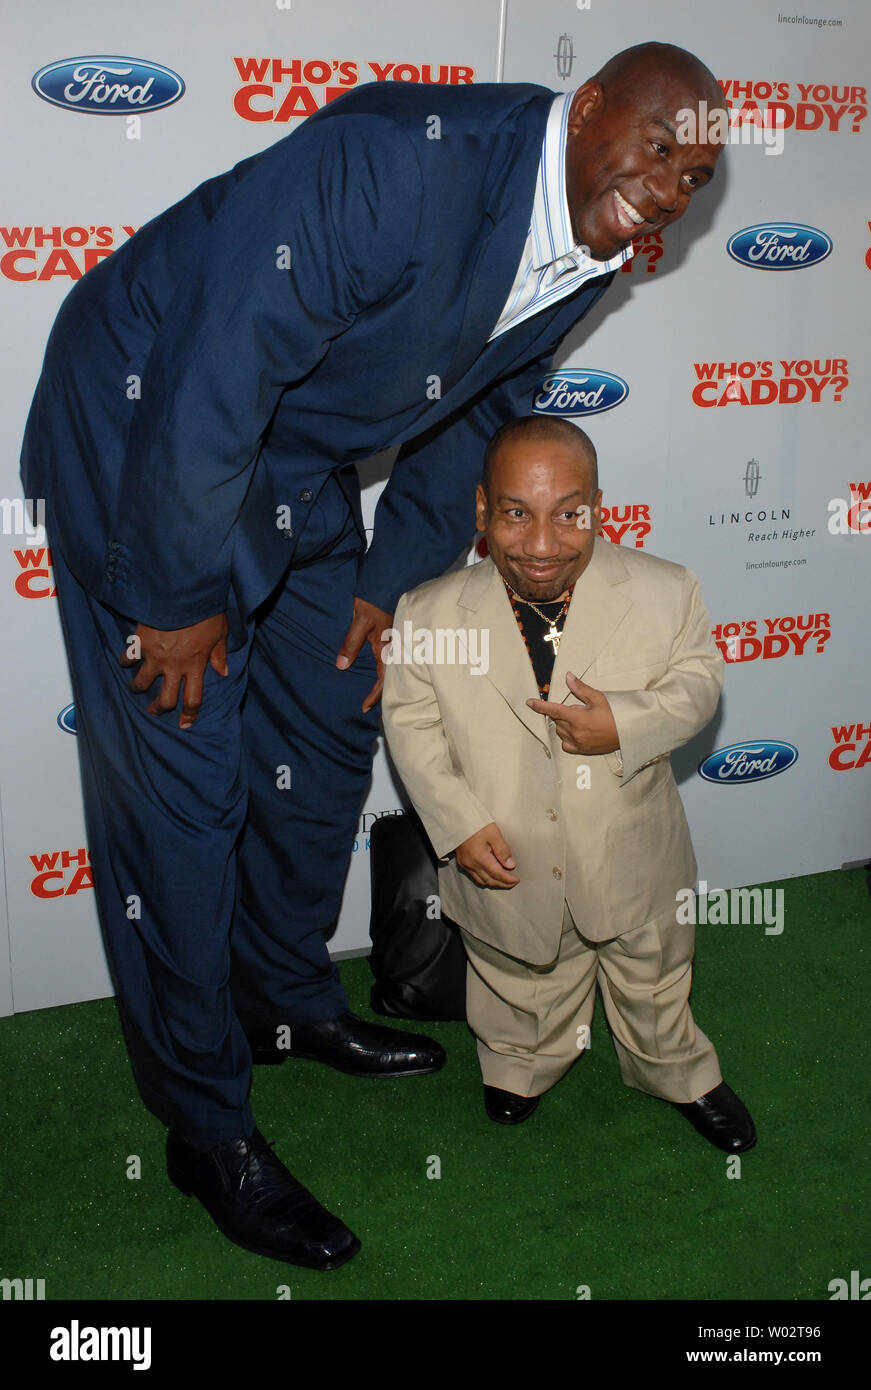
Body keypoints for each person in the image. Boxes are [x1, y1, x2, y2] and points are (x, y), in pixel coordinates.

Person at [19, 44, 728, 1268]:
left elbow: (488, 402)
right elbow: (216, 354)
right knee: (184, 796)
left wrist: (390, 581)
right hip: (149, 434)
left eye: (698, 177)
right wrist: (178, 591)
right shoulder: (396, 166)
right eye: (660, 150)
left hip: (288, 459)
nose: (668, 192)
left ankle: (285, 1001)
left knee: (338, 700)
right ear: (594, 101)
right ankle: (204, 1124)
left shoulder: (598, 235)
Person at [381, 415, 756, 1151]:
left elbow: (697, 687)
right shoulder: (426, 613)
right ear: (483, 511)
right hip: (501, 854)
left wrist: (625, 721)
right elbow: (413, 729)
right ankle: (520, 1065)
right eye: (516, 513)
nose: (543, 543)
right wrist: (457, 825)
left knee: (651, 976)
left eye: (568, 513)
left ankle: (673, 1069)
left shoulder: (666, 590)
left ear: (596, 507)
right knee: (515, 976)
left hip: (630, 852)